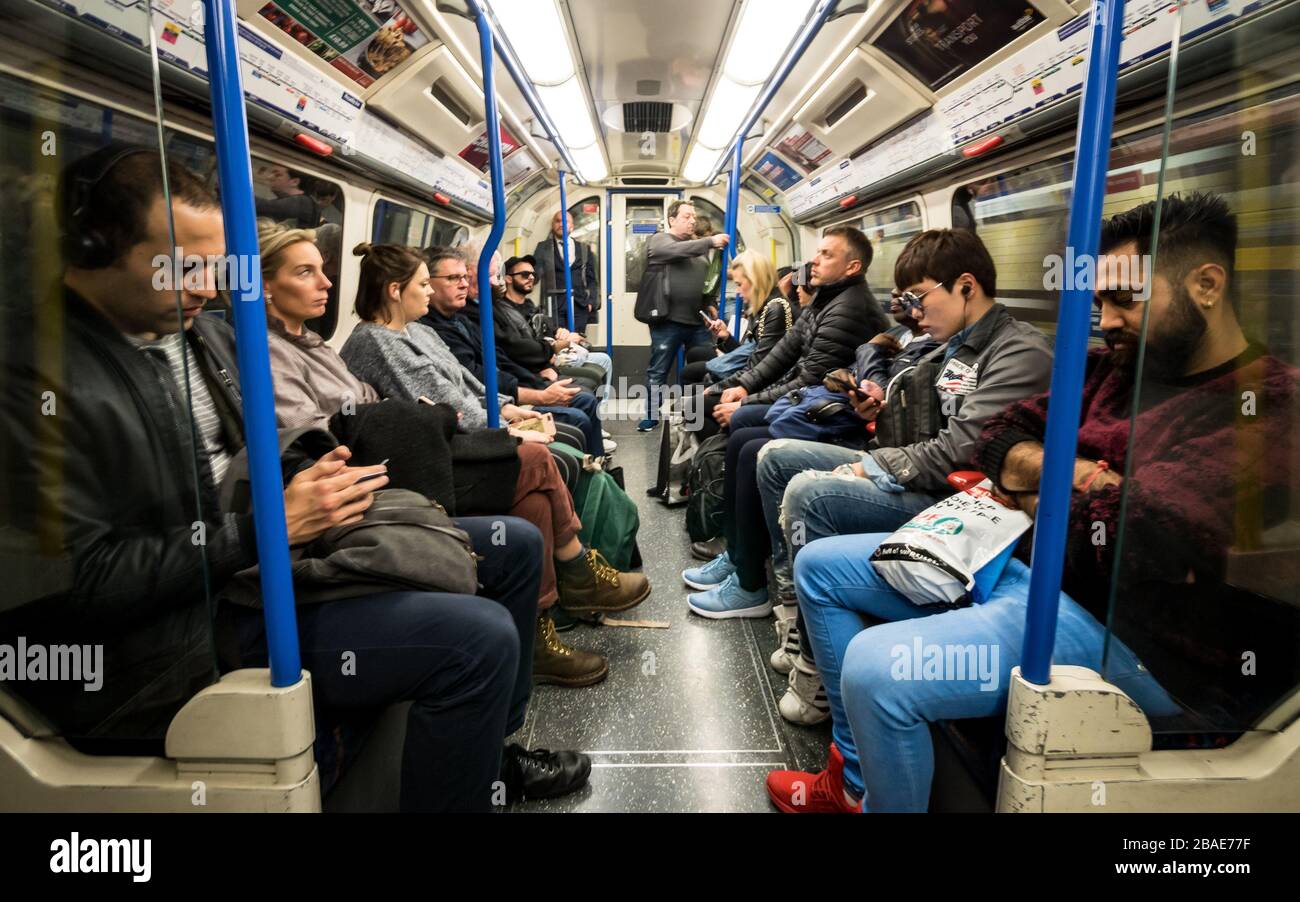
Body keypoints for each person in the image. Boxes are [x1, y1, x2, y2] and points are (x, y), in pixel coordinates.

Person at [0, 145, 582, 811]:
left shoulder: (200, 338)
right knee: (477, 639)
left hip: (256, 566)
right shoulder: (36, 380)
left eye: (212, 266)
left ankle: (491, 761)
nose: (206, 287)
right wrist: (264, 530)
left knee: (513, 548)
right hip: (176, 637)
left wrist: (314, 471)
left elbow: (249, 453)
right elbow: (79, 586)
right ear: (94, 246)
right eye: (182, 266)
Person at [766, 192, 1299, 813]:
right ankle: (855, 783)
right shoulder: (1110, 371)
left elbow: (1141, 541)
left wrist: (1044, 482)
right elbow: (999, 436)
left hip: (1128, 634)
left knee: (877, 671)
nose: (1107, 321)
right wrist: (1087, 479)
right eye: (1099, 302)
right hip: (1019, 562)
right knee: (819, 566)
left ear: (1207, 284)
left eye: (1125, 301)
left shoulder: (1265, 404)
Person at [743, 228, 1053, 724]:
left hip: (956, 500)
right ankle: (795, 612)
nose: (912, 311)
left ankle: (819, 676)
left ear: (966, 287)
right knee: (776, 456)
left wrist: (873, 464)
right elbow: (926, 419)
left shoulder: (1018, 354)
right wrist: (878, 410)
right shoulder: (946, 344)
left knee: (809, 493)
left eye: (918, 297)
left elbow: (959, 451)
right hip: (916, 469)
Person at [338, 242, 651, 644]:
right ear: (396, 290)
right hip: (431, 458)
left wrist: (507, 409)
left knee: (537, 498)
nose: (432, 293)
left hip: (457, 436)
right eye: (424, 284)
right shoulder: (375, 341)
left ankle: (542, 625)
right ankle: (578, 572)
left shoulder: (417, 330)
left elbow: (467, 383)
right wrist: (506, 431)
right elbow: (439, 401)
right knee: (538, 458)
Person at [683, 227, 887, 621]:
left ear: (853, 266)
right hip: (810, 405)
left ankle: (749, 582)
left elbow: (810, 376)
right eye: (818, 252)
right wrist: (740, 385)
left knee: (745, 438)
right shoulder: (826, 300)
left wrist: (748, 398)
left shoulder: (848, 307)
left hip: (836, 418)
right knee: (740, 430)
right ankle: (739, 556)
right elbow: (782, 353)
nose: (815, 260)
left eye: (827, 254)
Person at [420, 246, 612, 455]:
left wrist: (539, 381)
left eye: (465, 277)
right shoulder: (439, 328)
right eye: (454, 278)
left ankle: (596, 467)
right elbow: (479, 373)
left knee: (584, 395)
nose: (464, 284)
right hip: (493, 408)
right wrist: (538, 393)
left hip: (507, 394)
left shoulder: (461, 319)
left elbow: (500, 359)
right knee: (578, 415)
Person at [634, 200, 730, 431]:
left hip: (697, 322)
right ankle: (651, 415)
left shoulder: (697, 249)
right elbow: (669, 251)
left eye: (694, 217)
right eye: (686, 216)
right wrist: (709, 241)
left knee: (701, 369)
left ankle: (693, 413)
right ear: (672, 219)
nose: (692, 220)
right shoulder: (660, 240)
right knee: (658, 370)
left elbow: (706, 281)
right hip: (667, 321)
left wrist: (710, 303)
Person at [504, 253, 613, 394]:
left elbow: (549, 328)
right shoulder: (506, 312)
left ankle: (600, 407)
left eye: (532, 274)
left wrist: (561, 333)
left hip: (549, 354)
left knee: (603, 360)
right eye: (525, 274)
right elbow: (523, 348)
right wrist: (557, 346)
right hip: (540, 362)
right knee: (591, 380)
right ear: (507, 278)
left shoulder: (530, 306)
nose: (531, 277)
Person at [534, 210, 599, 335]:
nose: (562, 224)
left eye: (565, 221)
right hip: (553, 305)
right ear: (553, 225)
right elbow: (535, 274)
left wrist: (591, 302)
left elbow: (592, 279)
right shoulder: (543, 247)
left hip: (579, 305)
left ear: (572, 226)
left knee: (577, 342)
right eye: (558, 221)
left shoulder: (584, 249)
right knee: (558, 341)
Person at [254, 163, 320, 228]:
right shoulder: (290, 202)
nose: (269, 177)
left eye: (277, 175)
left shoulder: (303, 202)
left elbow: (266, 207)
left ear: (295, 182)